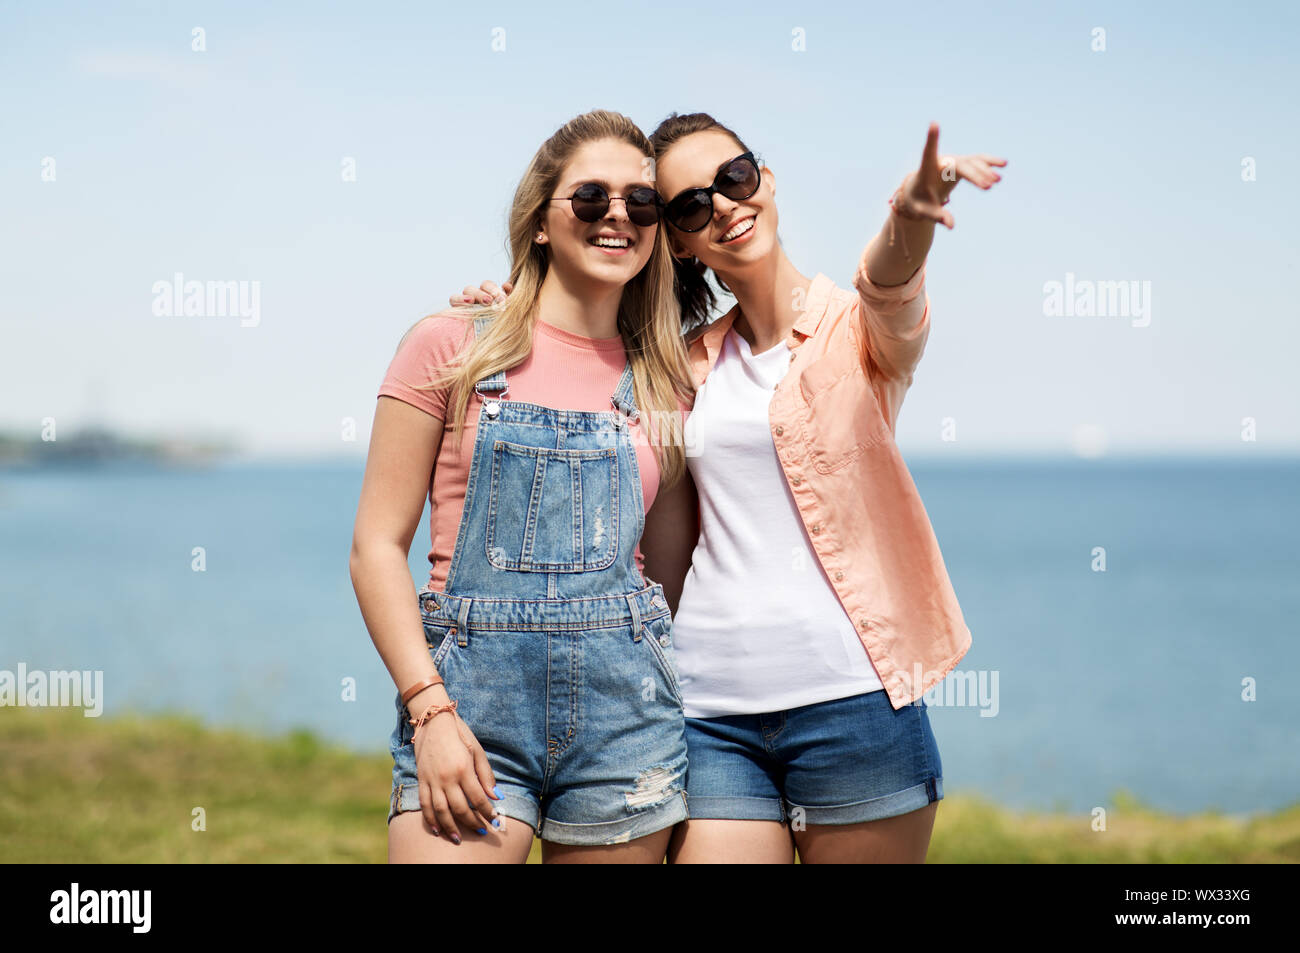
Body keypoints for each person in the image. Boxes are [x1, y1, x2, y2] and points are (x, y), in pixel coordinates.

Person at [457, 112, 1006, 863]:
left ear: (766, 180)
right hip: (711, 715)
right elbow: (576, 368)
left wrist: (909, 215)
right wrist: (505, 311)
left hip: (855, 703)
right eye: (688, 205)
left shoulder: (858, 331)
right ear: (678, 241)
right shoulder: (678, 365)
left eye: (735, 178)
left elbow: (890, 278)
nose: (722, 204)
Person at [351, 109, 695, 864]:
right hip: (468, 711)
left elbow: (665, 580)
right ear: (541, 219)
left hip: (626, 723)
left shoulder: (667, 380)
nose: (617, 216)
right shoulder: (450, 345)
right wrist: (429, 710)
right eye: (590, 196)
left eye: (641, 202)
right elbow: (375, 547)